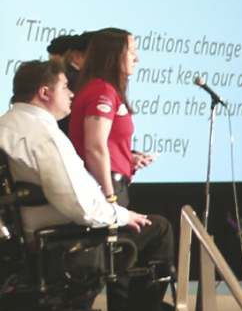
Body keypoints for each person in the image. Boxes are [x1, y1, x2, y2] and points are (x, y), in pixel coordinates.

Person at [0, 60, 166, 274]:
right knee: (159, 228)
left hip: (21, 238)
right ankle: (137, 308)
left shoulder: (6, 126)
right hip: (63, 240)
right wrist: (122, 215)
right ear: (44, 92)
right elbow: (83, 207)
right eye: (65, 87)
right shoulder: (44, 136)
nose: (71, 94)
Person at [67, 29, 153, 207]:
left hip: (113, 182)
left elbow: (106, 143)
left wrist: (127, 158)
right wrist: (109, 196)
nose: (137, 59)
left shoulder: (108, 90)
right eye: (131, 52)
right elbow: (95, 147)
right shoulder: (101, 90)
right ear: (113, 56)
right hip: (103, 186)